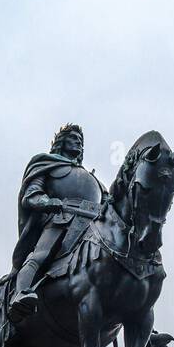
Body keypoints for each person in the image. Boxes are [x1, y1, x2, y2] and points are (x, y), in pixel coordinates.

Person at [8, 123, 105, 320]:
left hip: (92, 225)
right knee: (40, 256)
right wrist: (47, 202)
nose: (78, 142)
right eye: (73, 138)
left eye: (81, 140)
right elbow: (31, 195)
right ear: (61, 142)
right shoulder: (46, 164)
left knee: (116, 260)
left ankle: (135, 315)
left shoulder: (91, 178)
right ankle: (21, 293)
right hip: (60, 219)